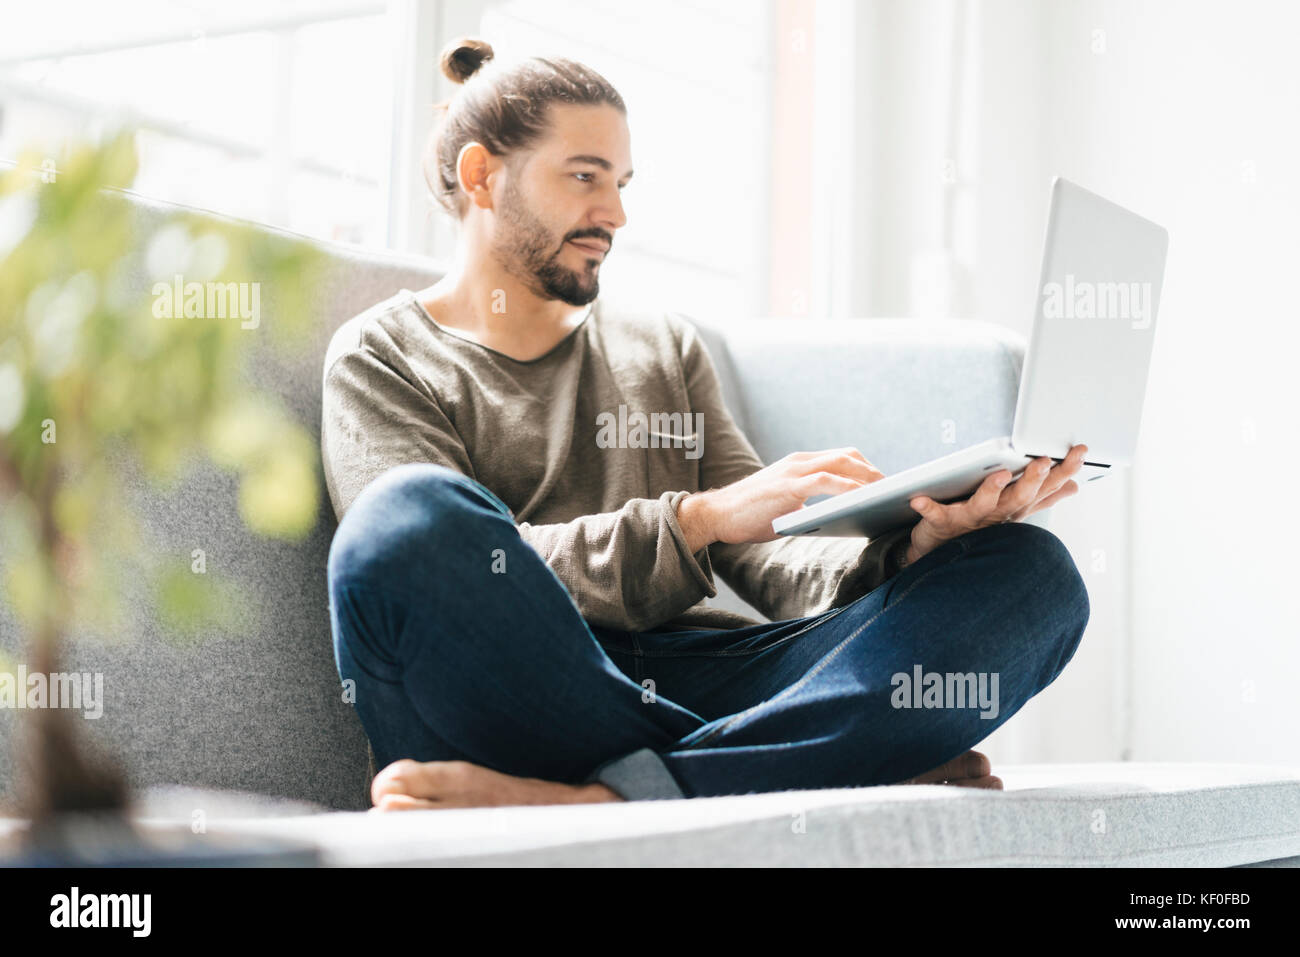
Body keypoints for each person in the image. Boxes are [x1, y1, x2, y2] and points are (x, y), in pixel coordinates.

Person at [322, 37, 1090, 811]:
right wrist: (696, 520)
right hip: (530, 693)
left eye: (621, 183)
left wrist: (919, 546)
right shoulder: (382, 356)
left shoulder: (660, 345)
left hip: (706, 682)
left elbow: (773, 561)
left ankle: (619, 798)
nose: (615, 213)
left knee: (1031, 576)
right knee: (403, 520)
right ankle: (796, 763)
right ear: (482, 176)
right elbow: (450, 568)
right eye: (585, 177)